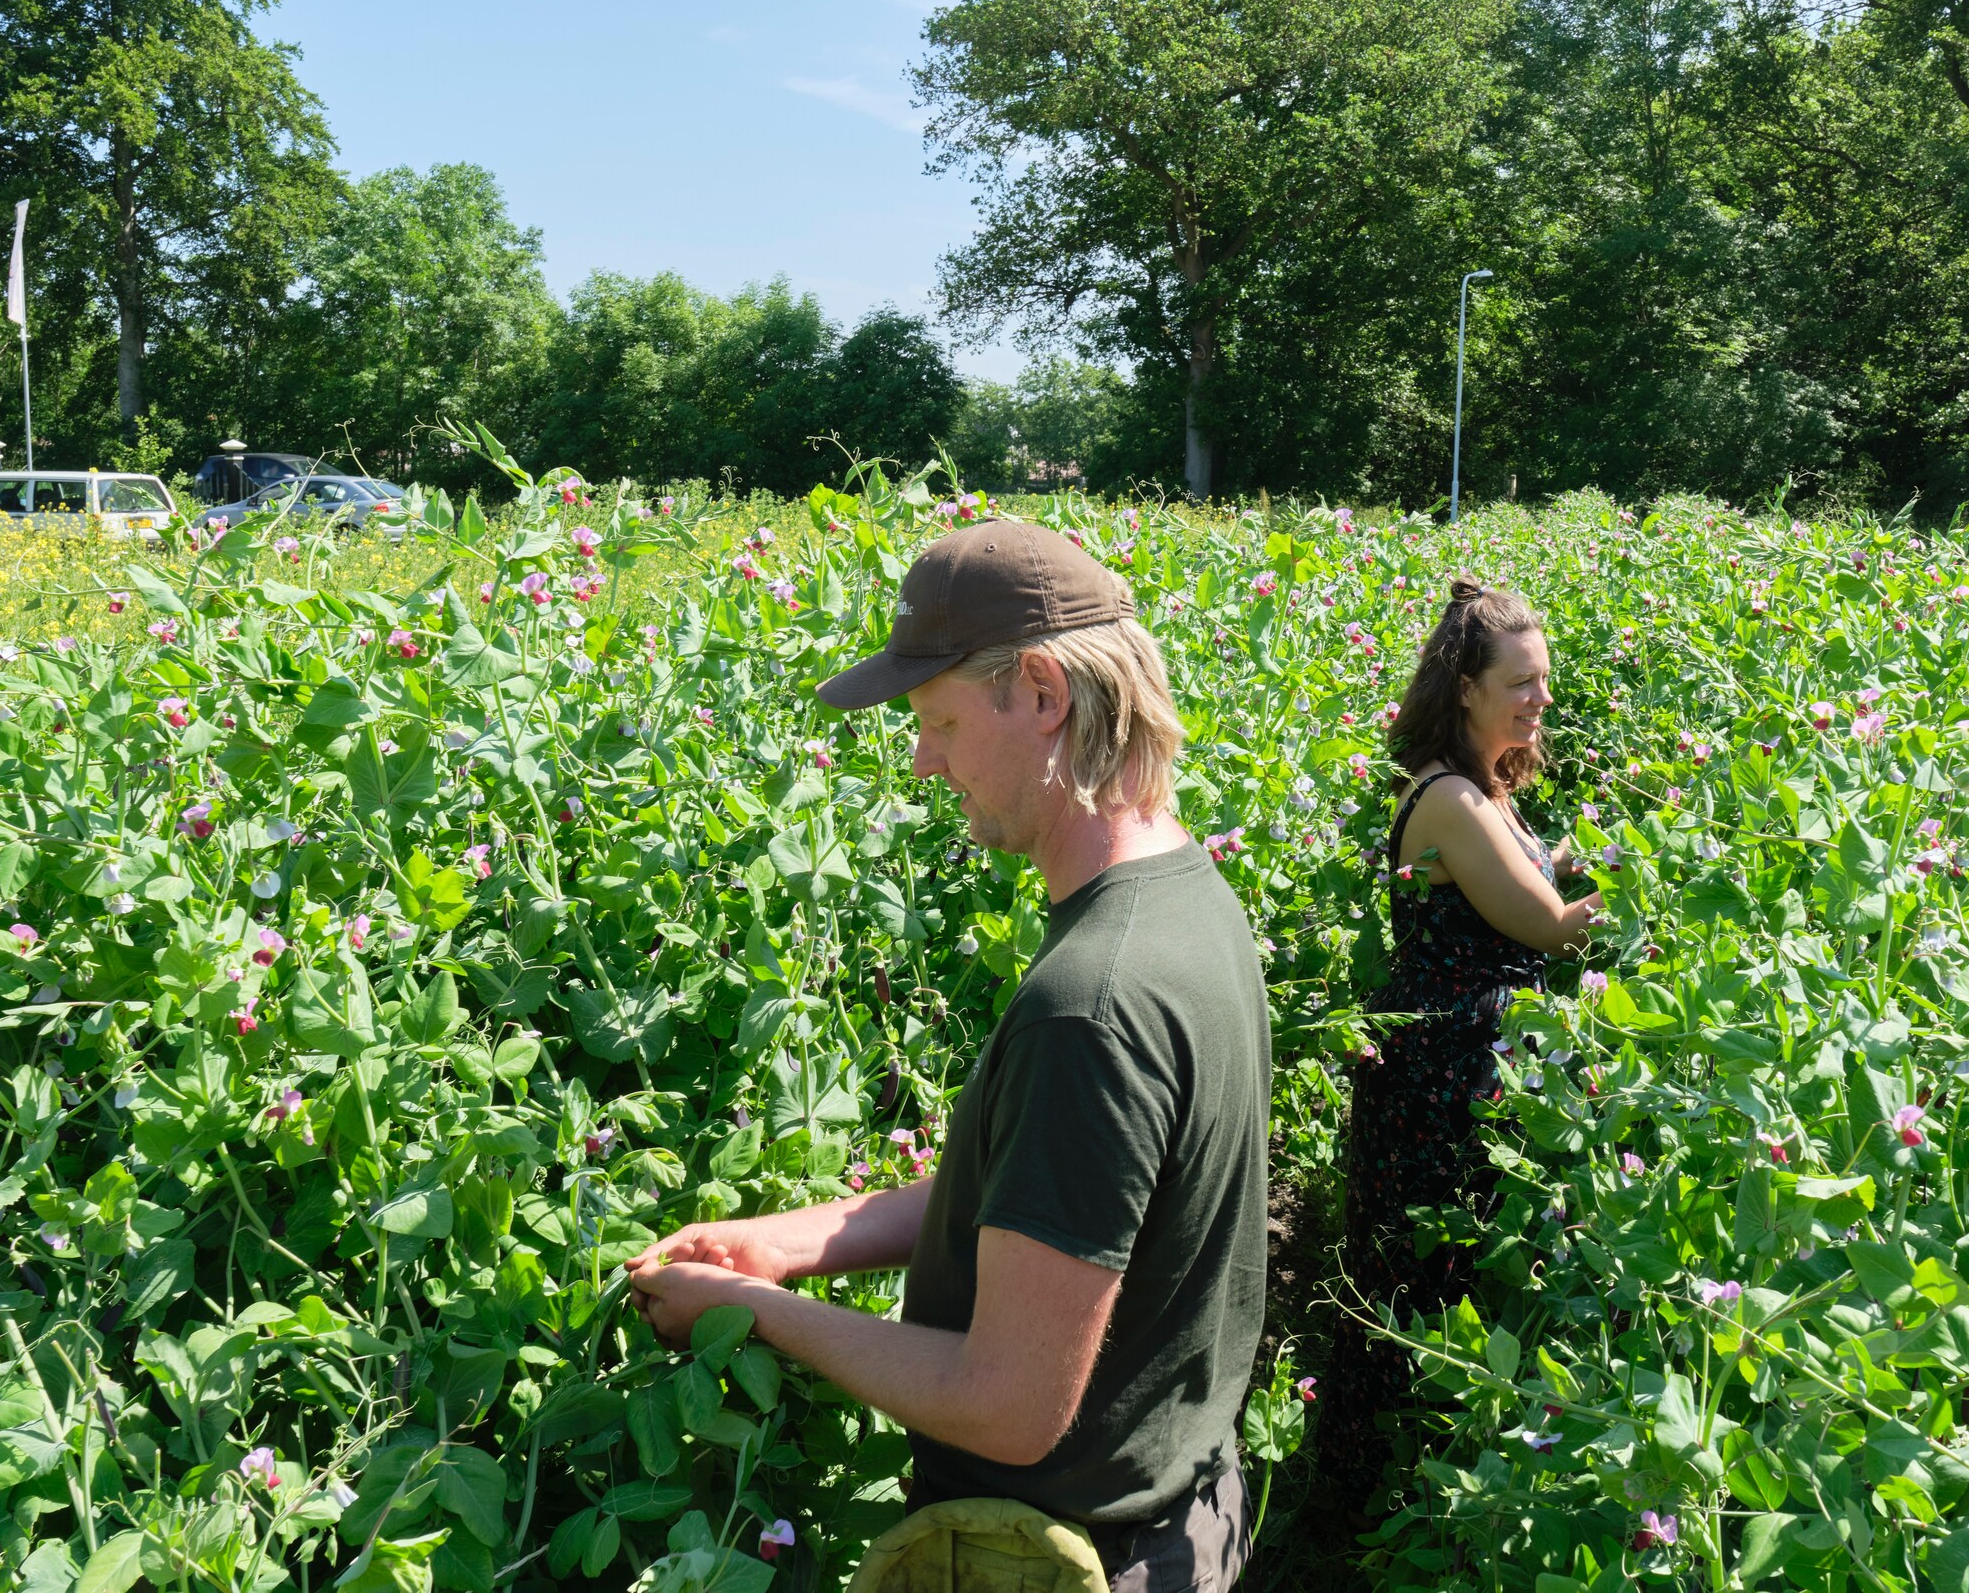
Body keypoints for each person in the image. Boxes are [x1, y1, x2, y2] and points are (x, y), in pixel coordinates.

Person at [627, 520, 1270, 1590]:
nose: (923, 759)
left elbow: (1006, 1406)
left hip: (1065, 1560)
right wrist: (791, 1243)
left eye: (939, 722)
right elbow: (1051, 1202)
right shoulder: (1189, 901)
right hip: (1182, 1516)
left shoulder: (1092, 1005)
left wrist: (756, 1315)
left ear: (1040, 692)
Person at [1316, 579, 1599, 1511]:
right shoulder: (1447, 799)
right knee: (1426, 1271)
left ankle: (1432, 1486)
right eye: (1521, 681)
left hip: (1476, 1055)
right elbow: (1547, 925)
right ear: (1465, 690)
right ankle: (1378, 1502)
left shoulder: (1489, 788)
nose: (1541, 699)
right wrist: (1643, 885)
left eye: (1545, 680)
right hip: (1442, 1064)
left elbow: (1537, 879)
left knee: (1464, 1264)